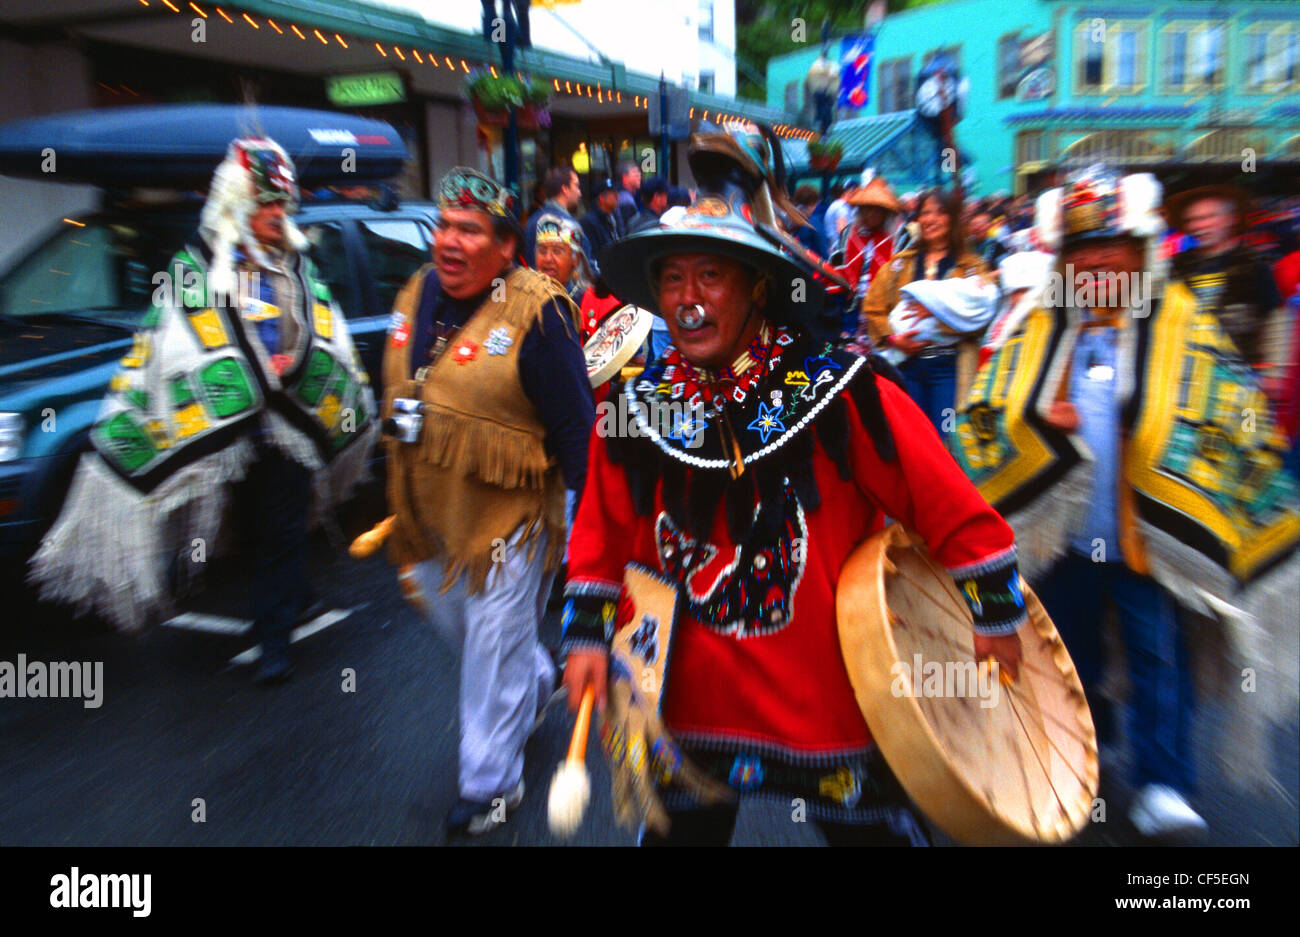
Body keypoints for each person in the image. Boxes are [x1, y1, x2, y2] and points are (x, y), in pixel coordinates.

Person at [559, 127, 1028, 847]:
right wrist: (587, 632)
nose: (688, 300)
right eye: (673, 279)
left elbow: (942, 498)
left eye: (710, 276)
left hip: (828, 698)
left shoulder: (838, 390)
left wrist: (995, 612)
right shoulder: (639, 404)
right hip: (687, 699)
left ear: (757, 287)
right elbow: (602, 523)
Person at [952, 166, 1300, 839]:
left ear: (1139, 249)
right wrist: (1037, 419)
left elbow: (1229, 404)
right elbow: (986, 410)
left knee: (1156, 657)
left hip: (1152, 536)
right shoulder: (1038, 320)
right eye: (1082, 250)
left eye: (1111, 245)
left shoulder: (1180, 319)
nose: (1097, 259)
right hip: (1067, 533)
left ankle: (1166, 785)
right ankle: (1091, 752)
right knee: (1070, 655)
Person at [30, 137, 377, 684]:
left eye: (282, 204)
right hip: (230, 427)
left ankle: (273, 643)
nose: (276, 215)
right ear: (237, 204)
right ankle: (293, 600)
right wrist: (248, 367)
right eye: (266, 204)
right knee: (262, 526)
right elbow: (171, 342)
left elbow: (321, 327)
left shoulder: (295, 263)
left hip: (288, 421)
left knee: (282, 522)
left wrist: (295, 358)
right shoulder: (198, 268)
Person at [382, 167, 595, 836]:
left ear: (507, 246)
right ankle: (535, 682)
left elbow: (577, 428)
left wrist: (592, 541)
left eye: (469, 230)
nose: (449, 240)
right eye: (444, 225)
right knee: (470, 634)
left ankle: (489, 781)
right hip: (429, 512)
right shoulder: (416, 292)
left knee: (491, 648)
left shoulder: (540, 309)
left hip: (512, 518)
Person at [861, 187, 987, 434]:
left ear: (952, 217)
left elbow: (982, 315)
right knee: (910, 439)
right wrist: (894, 339)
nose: (931, 219)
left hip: (949, 367)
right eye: (926, 213)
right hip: (906, 366)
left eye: (940, 212)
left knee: (945, 438)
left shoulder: (971, 265)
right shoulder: (900, 264)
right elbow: (873, 307)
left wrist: (937, 312)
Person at [1167, 185, 1283, 367]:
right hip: (1186, 368)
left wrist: (1274, 367)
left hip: (1241, 369)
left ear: (1231, 219)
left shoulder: (1253, 263)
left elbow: (1276, 318)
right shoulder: (1174, 267)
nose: (1199, 226)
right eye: (1192, 220)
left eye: (1208, 217)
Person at [532, 211, 621, 341]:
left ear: (576, 258)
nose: (548, 258)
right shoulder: (527, 301)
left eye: (557, 251)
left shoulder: (599, 305)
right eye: (542, 250)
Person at [837, 172, 901, 343]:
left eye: (878, 210)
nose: (872, 214)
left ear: (886, 213)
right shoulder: (848, 234)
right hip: (851, 305)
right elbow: (838, 264)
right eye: (867, 208)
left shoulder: (897, 239)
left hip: (882, 309)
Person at [523, 165, 593, 268]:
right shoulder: (570, 226)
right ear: (565, 189)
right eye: (576, 186)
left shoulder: (532, 221)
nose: (579, 193)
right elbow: (585, 267)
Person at [579, 177, 624, 269]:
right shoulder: (589, 222)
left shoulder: (612, 218)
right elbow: (591, 257)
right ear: (601, 198)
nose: (618, 197)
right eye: (614, 194)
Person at [615, 160, 643, 228]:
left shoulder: (635, 195)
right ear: (624, 177)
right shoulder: (625, 200)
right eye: (634, 172)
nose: (639, 175)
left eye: (639, 172)